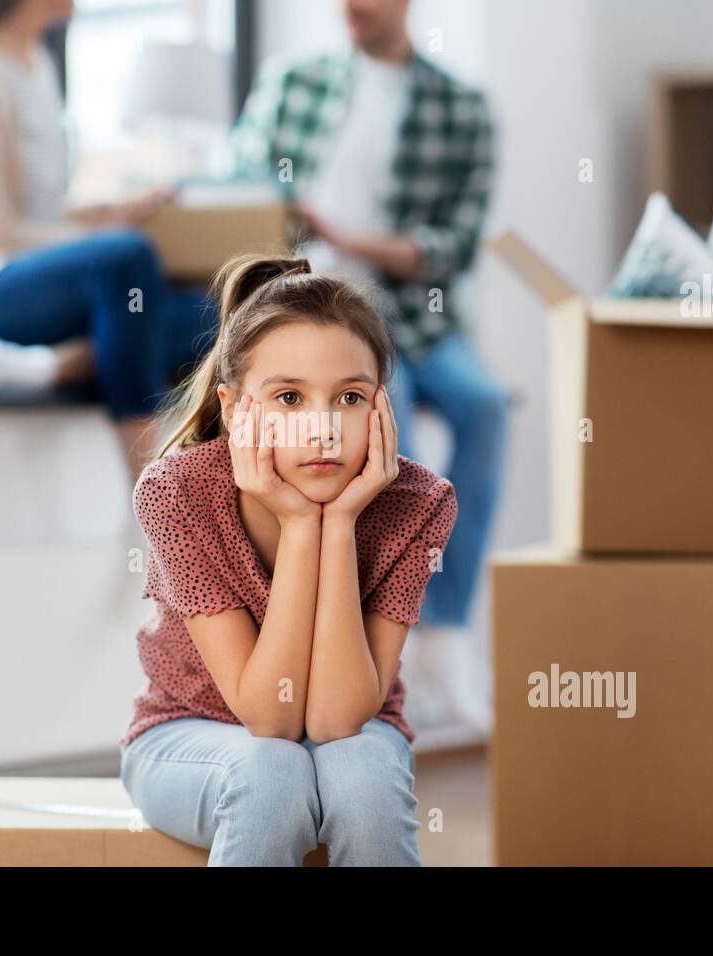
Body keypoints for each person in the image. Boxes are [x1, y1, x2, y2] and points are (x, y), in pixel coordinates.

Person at [118, 253, 457, 866]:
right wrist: (303, 525)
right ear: (234, 409)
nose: (322, 430)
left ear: (382, 408)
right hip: (191, 733)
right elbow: (271, 718)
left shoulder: (419, 503)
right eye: (290, 399)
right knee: (272, 772)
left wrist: (342, 521)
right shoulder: (178, 493)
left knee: (362, 773)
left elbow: (335, 721)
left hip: (354, 727)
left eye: (350, 397)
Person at [227, 0, 505, 738]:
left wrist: (356, 239)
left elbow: (455, 244)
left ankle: (444, 621)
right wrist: (297, 229)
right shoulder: (293, 82)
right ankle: (384, 628)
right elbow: (240, 192)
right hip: (317, 314)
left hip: (414, 310)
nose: (351, 7)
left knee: (485, 407)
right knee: (386, 420)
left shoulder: (459, 106)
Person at [0, 0, 214, 482]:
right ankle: (154, 498)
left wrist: (110, 213)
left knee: (210, 317)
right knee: (126, 262)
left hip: (14, 289)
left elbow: (38, 215)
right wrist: (103, 235)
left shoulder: (38, 65)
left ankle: (44, 367)